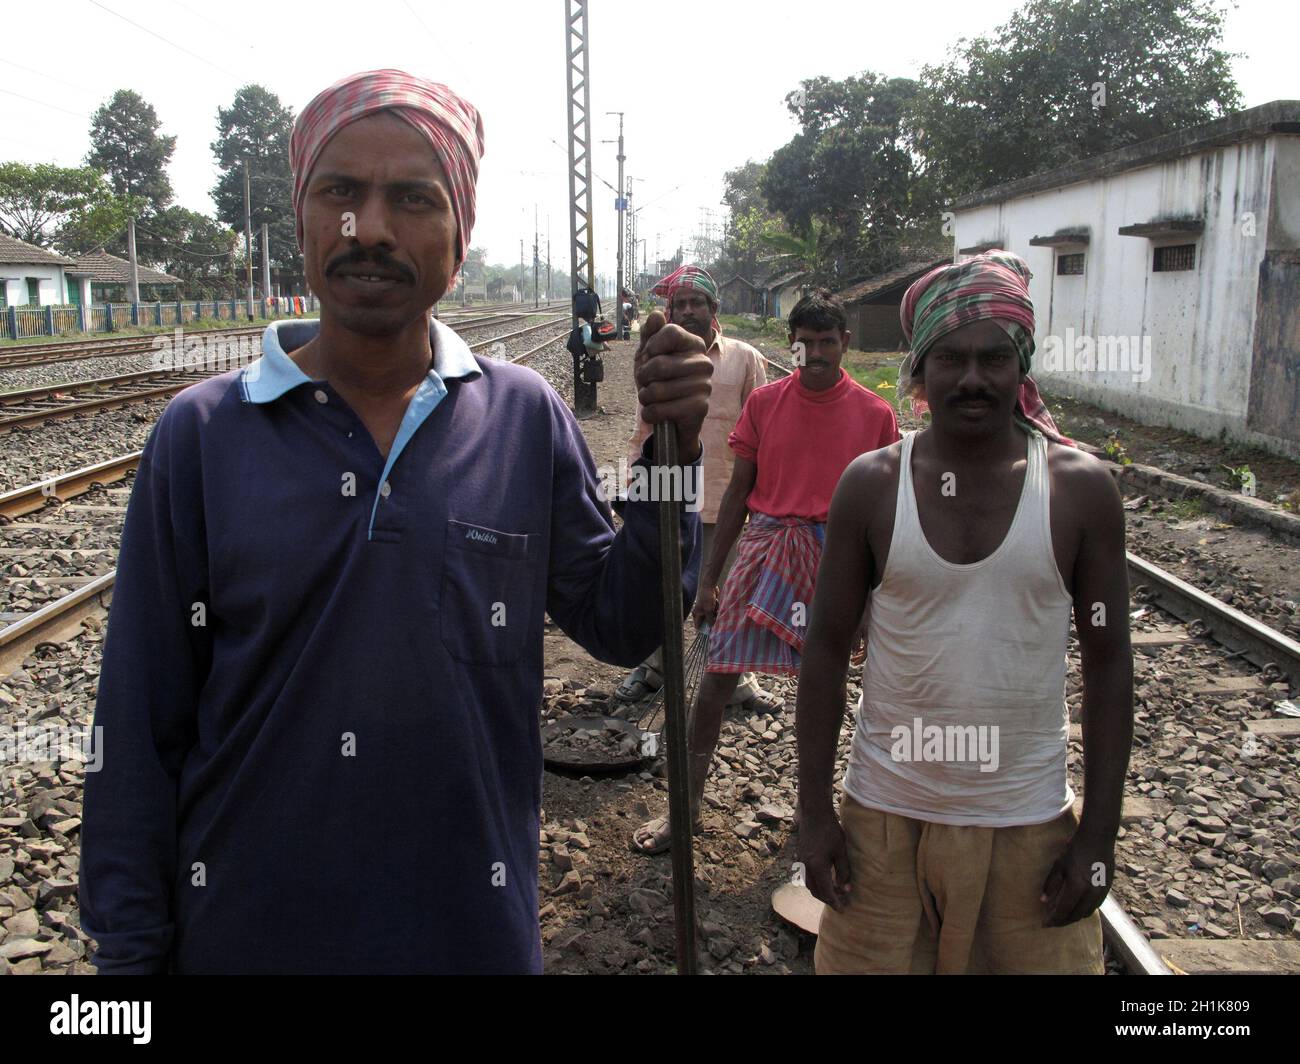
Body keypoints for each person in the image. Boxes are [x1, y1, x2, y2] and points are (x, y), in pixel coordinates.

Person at [78, 69, 713, 975]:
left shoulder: (523, 419)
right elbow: (137, 729)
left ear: (460, 237)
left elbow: (621, 626)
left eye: (413, 199)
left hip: (468, 935)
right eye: (340, 191)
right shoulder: (201, 436)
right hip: (246, 939)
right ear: (301, 216)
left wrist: (670, 460)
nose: (369, 229)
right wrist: (126, 971)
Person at [796, 251, 1133, 974]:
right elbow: (823, 651)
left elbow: (1109, 664)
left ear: (1023, 370)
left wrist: (1098, 836)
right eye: (950, 358)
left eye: (994, 359)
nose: (974, 379)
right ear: (920, 372)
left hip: (1029, 822)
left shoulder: (1081, 492)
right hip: (883, 820)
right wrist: (814, 814)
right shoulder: (872, 485)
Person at [634, 289, 899, 854]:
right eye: (806, 343)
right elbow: (738, 492)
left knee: (821, 690)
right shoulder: (767, 404)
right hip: (764, 547)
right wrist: (708, 579)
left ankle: (814, 813)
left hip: (836, 559)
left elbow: (885, 515)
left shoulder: (876, 415)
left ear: (845, 343)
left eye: (828, 342)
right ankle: (686, 808)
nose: (818, 354)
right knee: (715, 681)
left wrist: (873, 600)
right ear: (793, 344)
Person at [616, 265, 771, 715]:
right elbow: (643, 427)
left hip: (727, 494)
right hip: (673, 492)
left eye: (696, 303)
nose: (687, 311)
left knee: (729, 588)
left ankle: (737, 678)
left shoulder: (745, 358)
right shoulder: (659, 361)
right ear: (670, 310)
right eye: (679, 304)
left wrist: (762, 495)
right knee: (661, 587)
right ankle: (655, 669)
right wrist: (634, 482)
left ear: (713, 309)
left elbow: (763, 429)